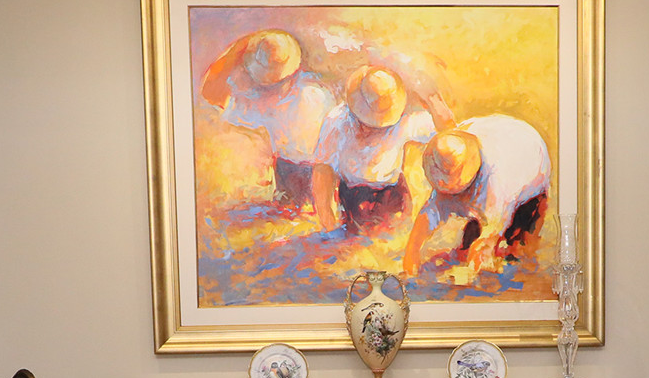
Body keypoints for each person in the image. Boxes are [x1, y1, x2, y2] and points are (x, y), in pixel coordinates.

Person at [199, 28, 338, 211]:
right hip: (315, 169)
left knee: (290, 212)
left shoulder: (262, 103)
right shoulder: (318, 93)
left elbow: (212, 94)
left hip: (298, 171)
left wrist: (237, 49)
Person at [404, 115, 552, 283]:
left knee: (517, 255)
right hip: (499, 140)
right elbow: (430, 213)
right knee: (465, 248)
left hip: (530, 167)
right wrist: (412, 255)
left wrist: (469, 272)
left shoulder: (498, 182)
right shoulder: (450, 156)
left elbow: (491, 231)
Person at [312, 66, 439, 234]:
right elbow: (323, 169)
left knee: (391, 241)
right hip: (352, 196)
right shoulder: (337, 122)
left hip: (392, 194)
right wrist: (327, 219)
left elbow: (446, 133)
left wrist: (433, 101)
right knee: (354, 244)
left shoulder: (406, 121)